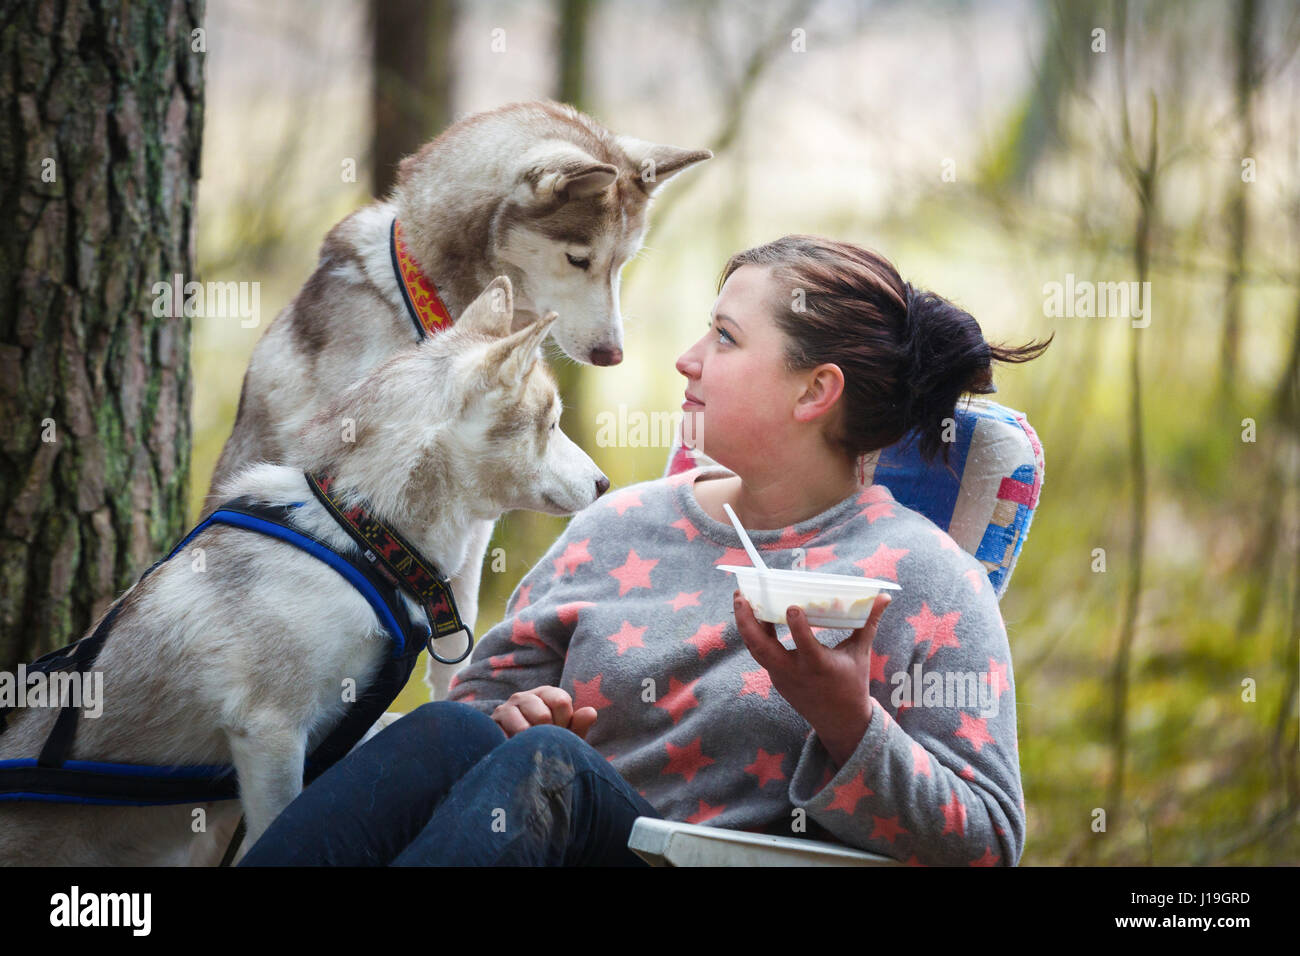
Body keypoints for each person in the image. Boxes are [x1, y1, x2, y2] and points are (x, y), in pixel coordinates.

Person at [239, 234, 1050, 867]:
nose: (686, 358)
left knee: (552, 767)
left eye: (725, 339)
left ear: (815, 391)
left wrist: (845, 718)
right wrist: (506, 715)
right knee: (453, 737)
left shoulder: (924, 580)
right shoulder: (620, 525)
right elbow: (481, 704)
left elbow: (984, 842)